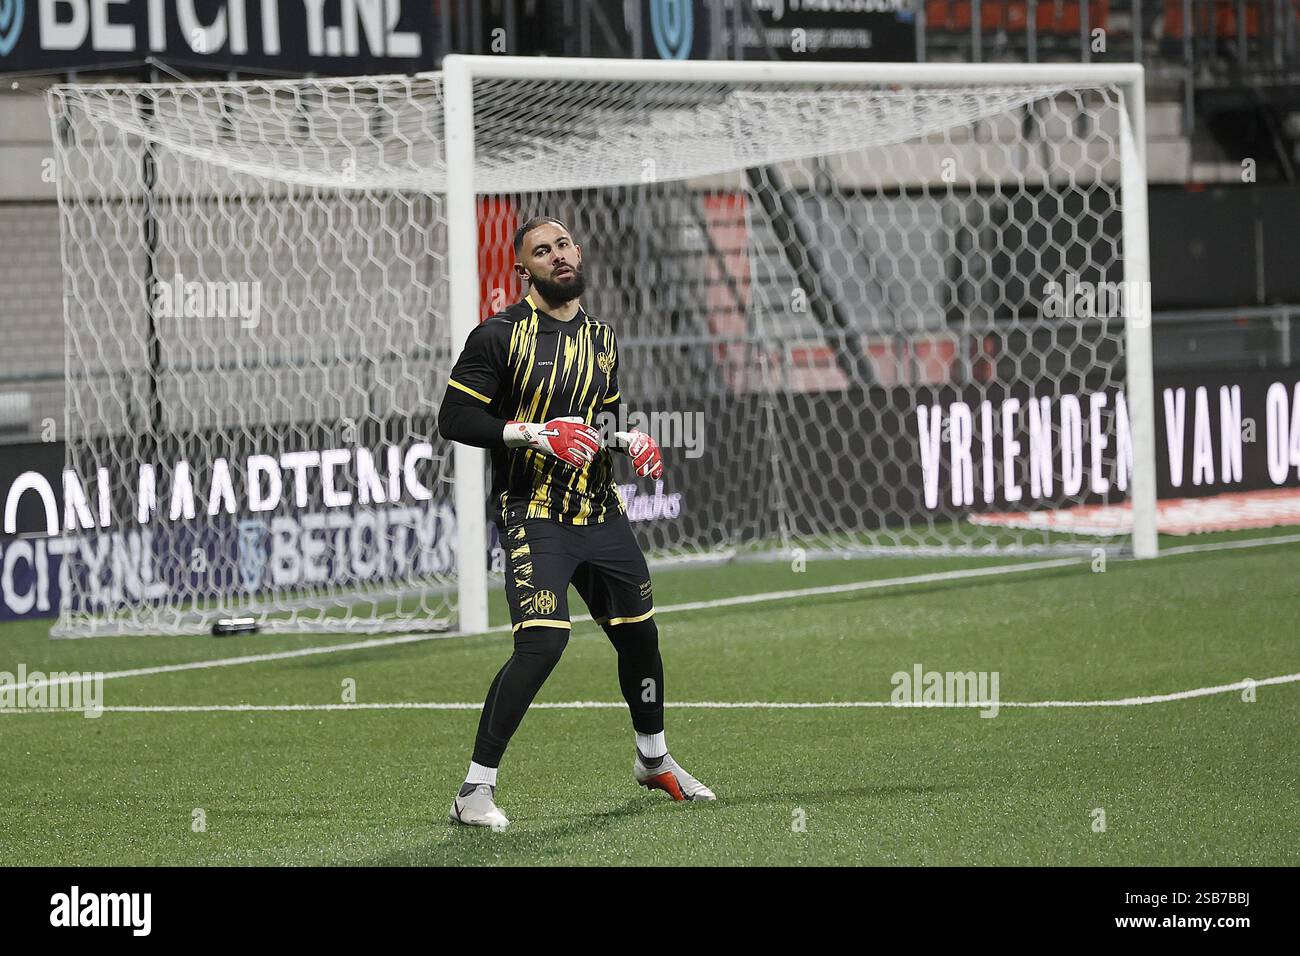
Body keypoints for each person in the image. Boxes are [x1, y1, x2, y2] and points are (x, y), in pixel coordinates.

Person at [438, 216, 716, 829]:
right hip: (534, 512)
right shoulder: (497, 336)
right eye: (543, 251)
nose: (558, 256)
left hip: (598, 511)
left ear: (578, 253)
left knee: (639, 634)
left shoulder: (601, 337)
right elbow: (454, 419)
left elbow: (601, 420)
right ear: (523, 268)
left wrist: (630, 439)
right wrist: (535, 434)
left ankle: (653, 759)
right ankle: (473, 792)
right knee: (543, 642)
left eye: (563, 245)